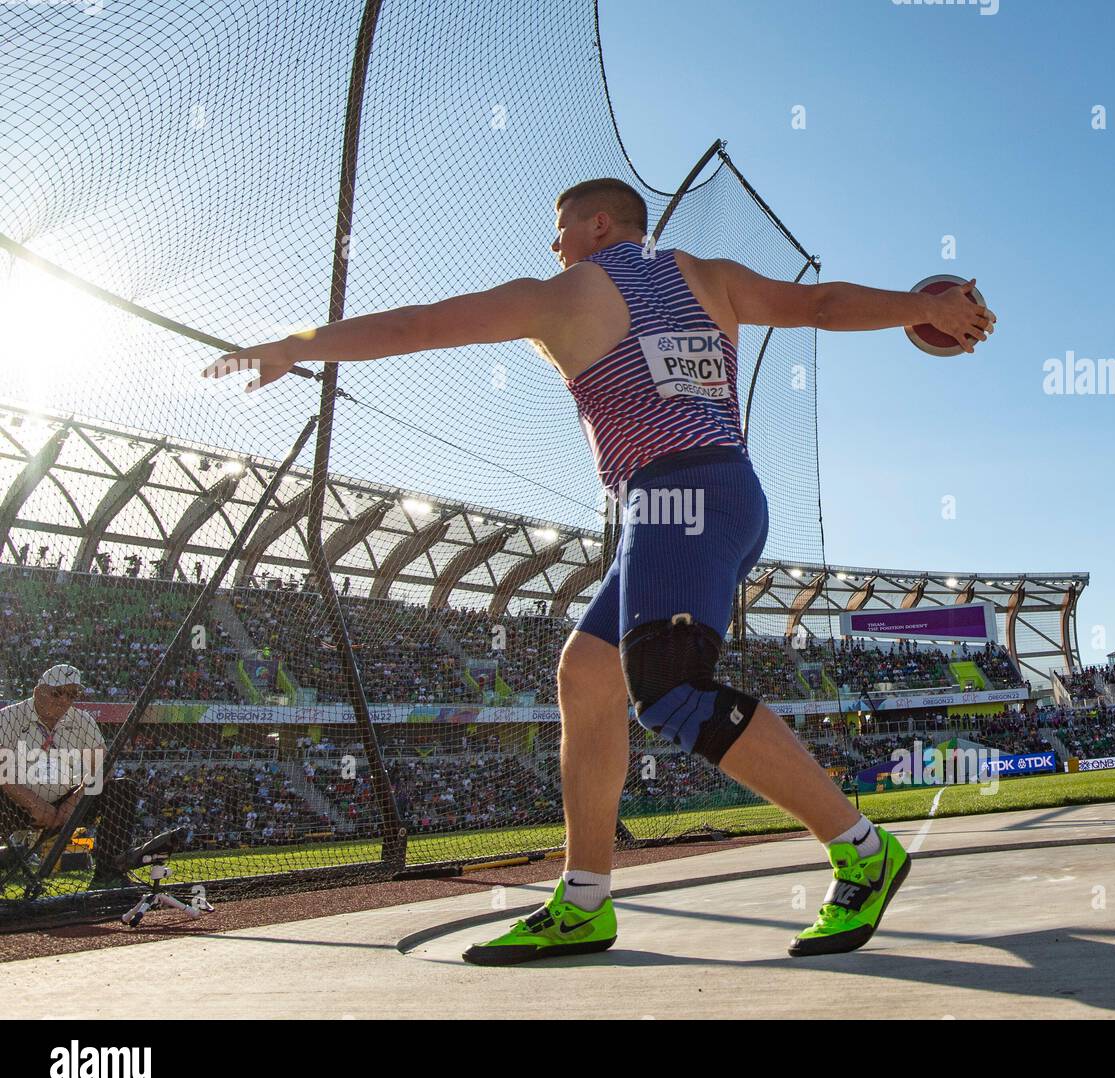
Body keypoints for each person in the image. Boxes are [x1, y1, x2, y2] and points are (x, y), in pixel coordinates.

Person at [203, 177, 995, 961]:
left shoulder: (562, 294)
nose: (553, 244)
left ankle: (861, 848)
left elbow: (418, 326)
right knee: (586, 675)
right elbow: (820, 306)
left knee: (675, 691)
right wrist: (920, 306)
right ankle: (584, 901)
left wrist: (291, 345)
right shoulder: (708, 276)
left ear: (597, 224)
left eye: (560, 229)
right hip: (716, 493)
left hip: (677, 491)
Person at [0, 664, 138, 888]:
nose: (65, 700)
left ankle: (108, 875)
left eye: (73, 694)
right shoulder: (9, 717)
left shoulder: (82, 720)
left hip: (70, 802)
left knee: (121, 788)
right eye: (58, 692)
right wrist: (35, 804)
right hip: (16, 804)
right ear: (38, 691)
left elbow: (104, 768)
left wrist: (74, 803)